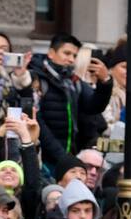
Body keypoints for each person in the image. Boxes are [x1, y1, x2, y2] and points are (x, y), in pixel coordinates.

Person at [28, 34, 113, 175]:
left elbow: (94, 107)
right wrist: (62, 156)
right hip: (43, 157)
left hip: (67, 156)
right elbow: (38, 122)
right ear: (51, 53)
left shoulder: (72, 80)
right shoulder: (35, 78)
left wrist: (105, 82)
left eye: (74, 56)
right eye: (66, 53)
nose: (71, 59)